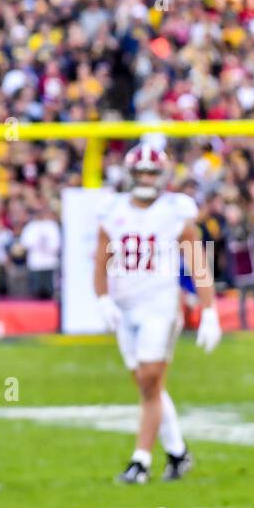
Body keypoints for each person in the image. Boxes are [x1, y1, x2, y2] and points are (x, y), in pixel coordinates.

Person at [93, 144, 221, 484]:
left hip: (160, 306)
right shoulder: (113, 209)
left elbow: (197, 261)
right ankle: (178, 453)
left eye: (152, 172)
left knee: (150, 380)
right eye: (142, 173)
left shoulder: (174, 210)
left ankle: (141, 461)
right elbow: (100, 259)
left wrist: (209, 310)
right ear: (132, 175)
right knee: (148, 386)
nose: (147, 178)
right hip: (124, 308)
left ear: (161, 176)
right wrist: (103, 298)